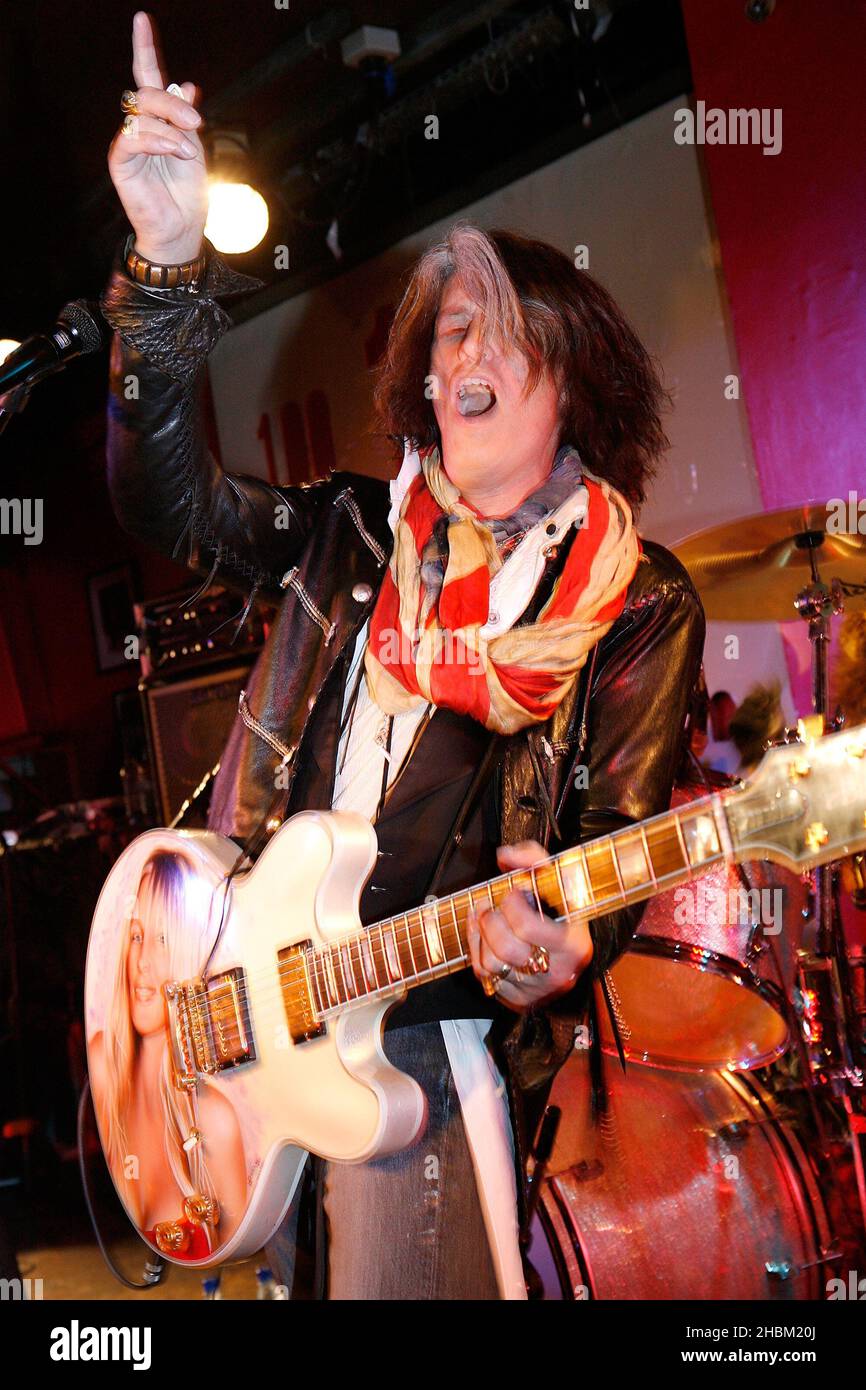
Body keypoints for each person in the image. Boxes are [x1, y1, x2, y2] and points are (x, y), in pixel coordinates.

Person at [100, 11, 704, 1299]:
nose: (464, 352)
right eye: (447, 334)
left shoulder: (635, 600)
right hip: (240, 995)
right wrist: (161, 276)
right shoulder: (348, 531)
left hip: (418, 1052)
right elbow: (171, 510)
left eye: (500, 329)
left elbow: (611, 840)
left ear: (571, 378)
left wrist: (565, 942)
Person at [88, 851, 247, 1259]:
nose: (141, 962)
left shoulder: (213, 1119)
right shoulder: (105, 1064)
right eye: (138, 936)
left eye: (162, 939)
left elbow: (237, 1251)